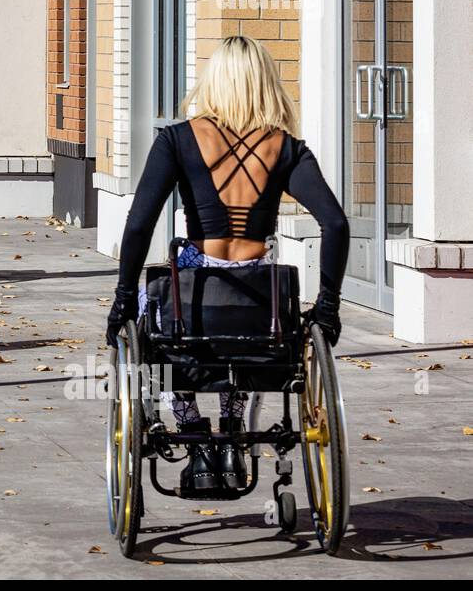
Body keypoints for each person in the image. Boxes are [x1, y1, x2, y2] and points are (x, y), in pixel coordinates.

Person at [104, 35, 348, 496]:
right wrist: (329, 307)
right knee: (245, 332)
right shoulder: (287, 147)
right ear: (265, 83)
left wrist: (121, 300)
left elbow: (138, 226)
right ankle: (234, 430)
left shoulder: (178, 139)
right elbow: (334, 223)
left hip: (195, 297)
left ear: (214, 81)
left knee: (157, 320)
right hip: (260, 299)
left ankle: (193, 434)